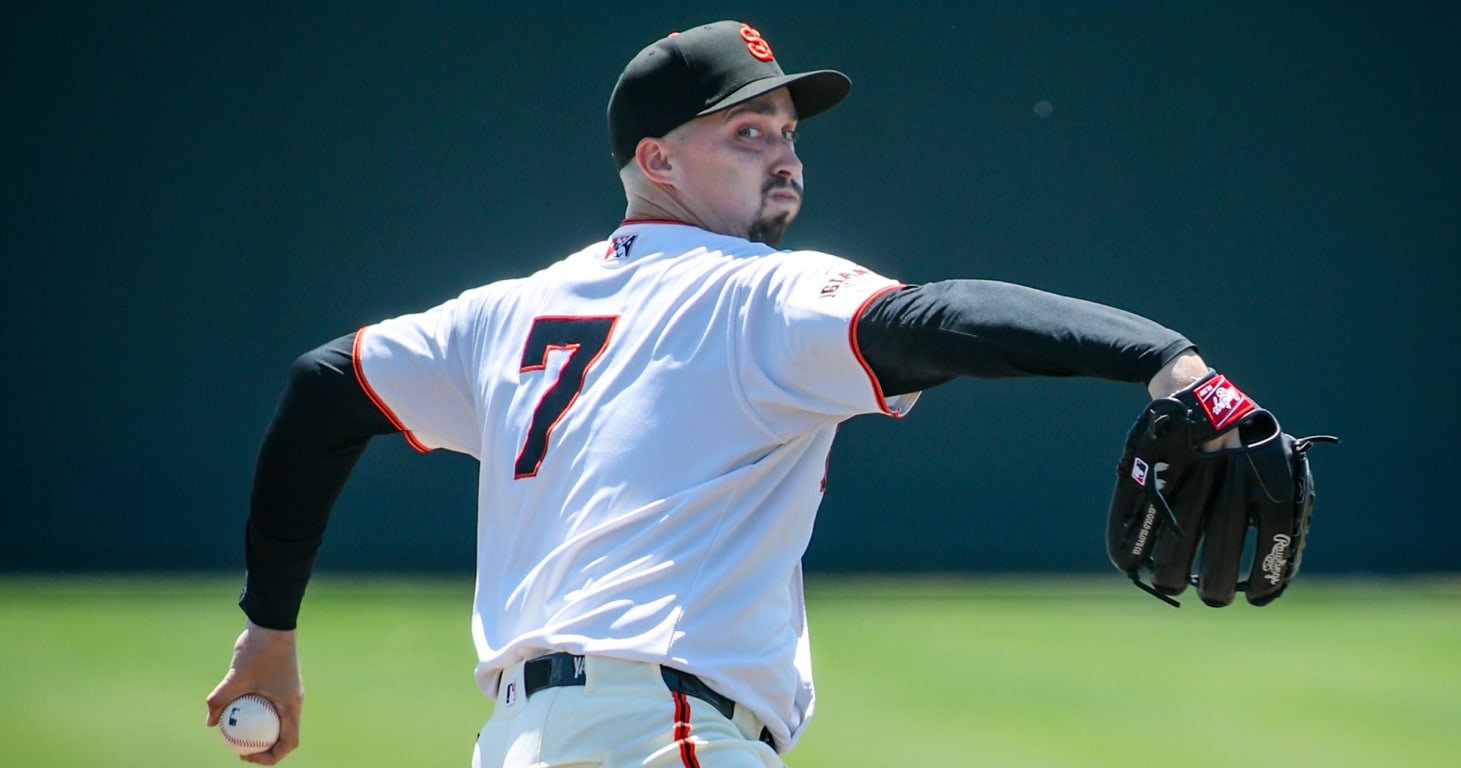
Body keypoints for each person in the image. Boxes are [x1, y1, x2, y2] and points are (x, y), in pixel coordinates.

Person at [206, 19, 1235, 768]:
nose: (784, 155)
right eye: (746, 133)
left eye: (787, 130)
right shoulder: (756, 294)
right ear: (656, 160)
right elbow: (940, 320)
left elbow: (325, 388)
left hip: (523, 743)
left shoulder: (504, 312)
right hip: (666, 736)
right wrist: (1169, 362)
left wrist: (270, 633)